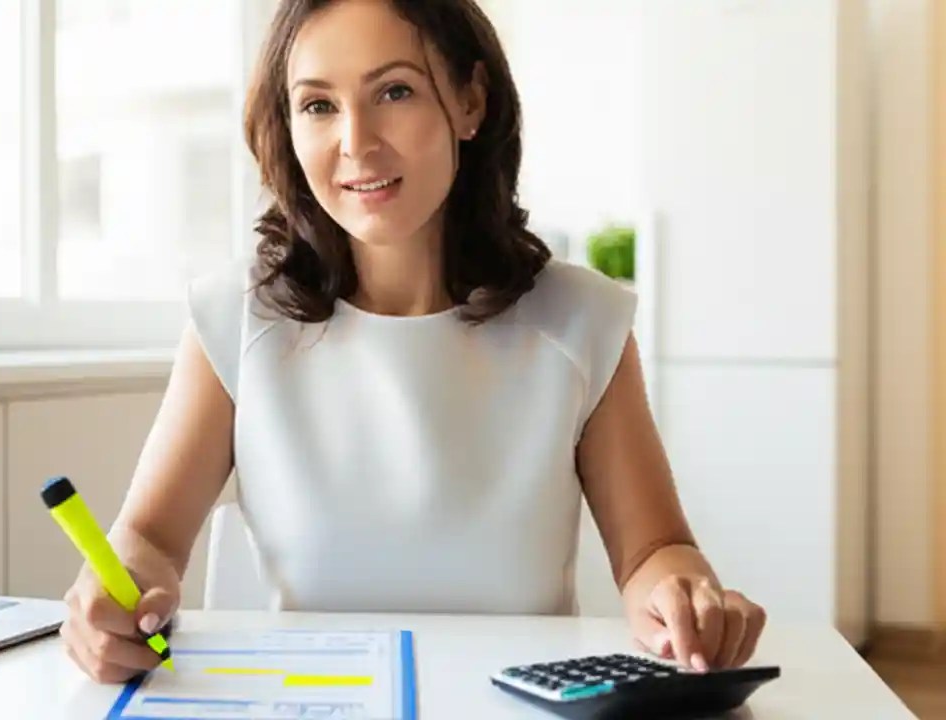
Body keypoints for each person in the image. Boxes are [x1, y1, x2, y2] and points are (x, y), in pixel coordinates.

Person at [60, 0, 767, 684]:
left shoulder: (582, 320)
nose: (355, 141)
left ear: (470, 102)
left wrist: (682, 596)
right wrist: (109, 599)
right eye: (318, 105)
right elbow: (146, 543)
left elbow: (654, 551)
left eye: (394, 91)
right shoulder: (235, 317)